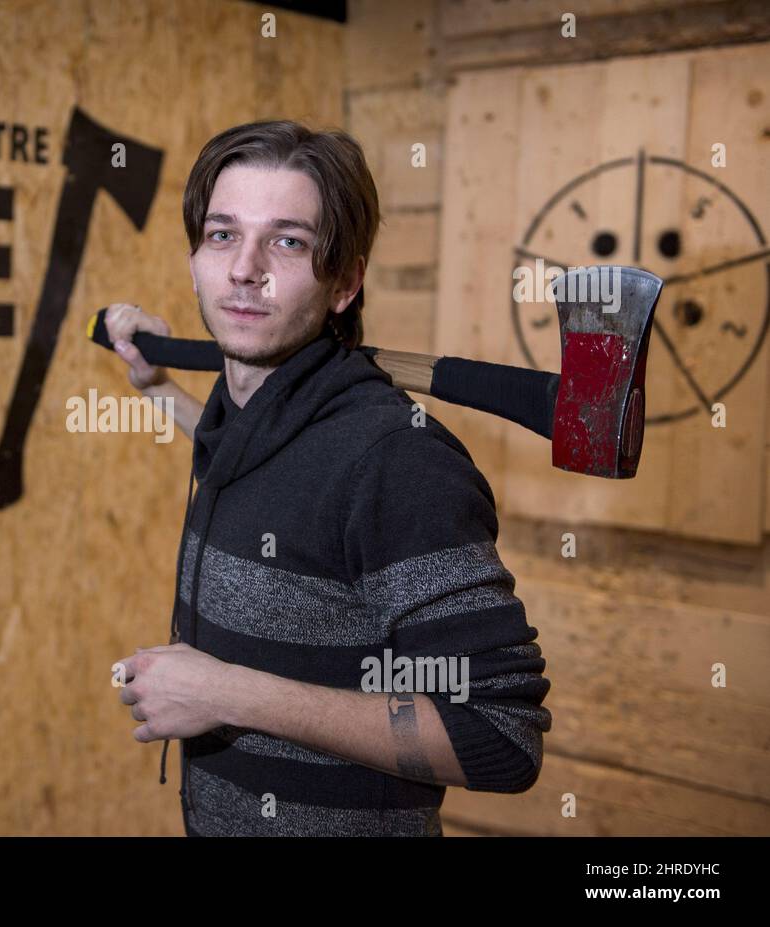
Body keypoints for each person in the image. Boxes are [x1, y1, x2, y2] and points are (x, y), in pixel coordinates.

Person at [108, 120, 552, 837]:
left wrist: (231, 692)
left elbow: (500, 735)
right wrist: (156, 384)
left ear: (345, 281)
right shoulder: (260, 417)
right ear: (194, 260)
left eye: (288, 241)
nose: (245, 268)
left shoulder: (396, 461)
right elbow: (260, 471)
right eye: (223, 235)